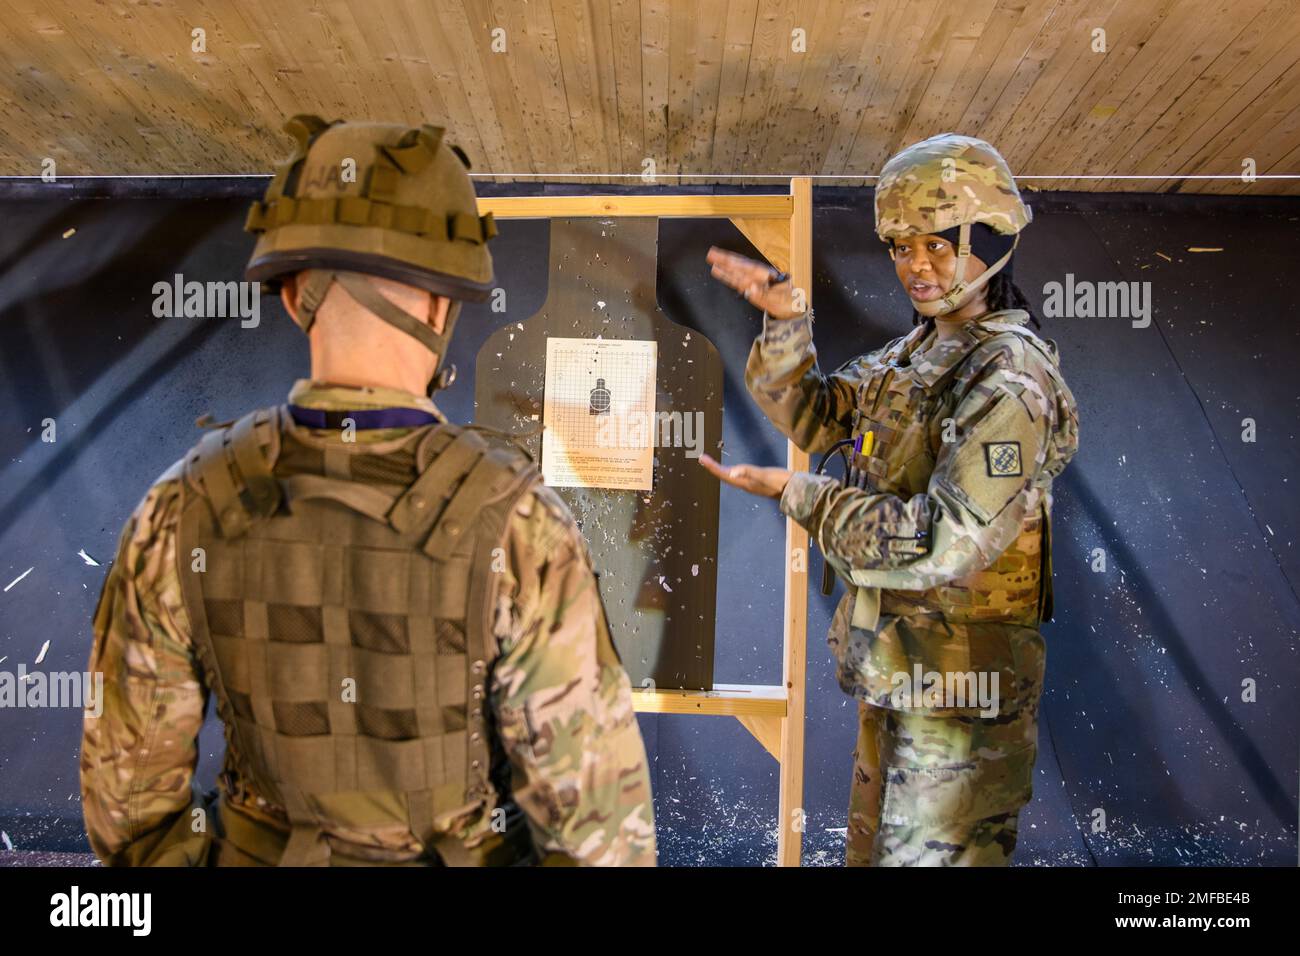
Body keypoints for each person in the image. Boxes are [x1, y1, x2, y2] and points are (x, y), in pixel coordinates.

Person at [80, 116, 656, 867]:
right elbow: (602, 843)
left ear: (293, 296)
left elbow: (127, 821)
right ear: (444, 307)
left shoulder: (180, 507)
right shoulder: (520, 523)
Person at [702, 133, 1079, 866]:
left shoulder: (1011, 380)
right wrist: (784, 321)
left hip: (961, 710)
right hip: (901, 675)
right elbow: (811, 414)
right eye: (901, 247)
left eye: (938, 244)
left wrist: (800, 494)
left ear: (992, 238)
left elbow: (939, 542)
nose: (917, 265)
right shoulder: (912, 356)